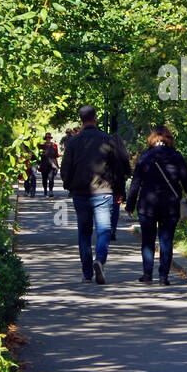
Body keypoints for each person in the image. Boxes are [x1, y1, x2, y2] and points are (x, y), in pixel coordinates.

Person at [60, 105, 131, 284]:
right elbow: (117, 169)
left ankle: (86, 273)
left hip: (80, 192)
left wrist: (69, 185)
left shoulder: (73, 142)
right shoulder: (107, 139)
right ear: (95, 118)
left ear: (81, 120)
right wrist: (119, 191)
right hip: (104, 192)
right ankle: (100, 259)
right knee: (104, 230)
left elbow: (65, 168)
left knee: (84, 232)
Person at [125, 125, 187, 286]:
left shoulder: (144, 157)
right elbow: (186, 180)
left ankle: (147, 274)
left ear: (152, 139)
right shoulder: (176, 156)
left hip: (147, 205)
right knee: (167, 241)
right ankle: (163, 276)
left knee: (148, 241)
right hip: (170, 205)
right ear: (169, 139)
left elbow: (135, 183)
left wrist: (130, 205)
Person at [40, 132, 59, 198]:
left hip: (52, 164)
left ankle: (51, 191)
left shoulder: (54, 145)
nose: (48, 139)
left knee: (51, 178)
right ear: (45, 138)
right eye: (46, 138)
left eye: (49, 137)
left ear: (51, 138)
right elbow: (39, 155)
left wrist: (57, 165)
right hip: (44, 164)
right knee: (44, 178)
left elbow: (56, 155)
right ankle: (45, 190)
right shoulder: (41, 146)